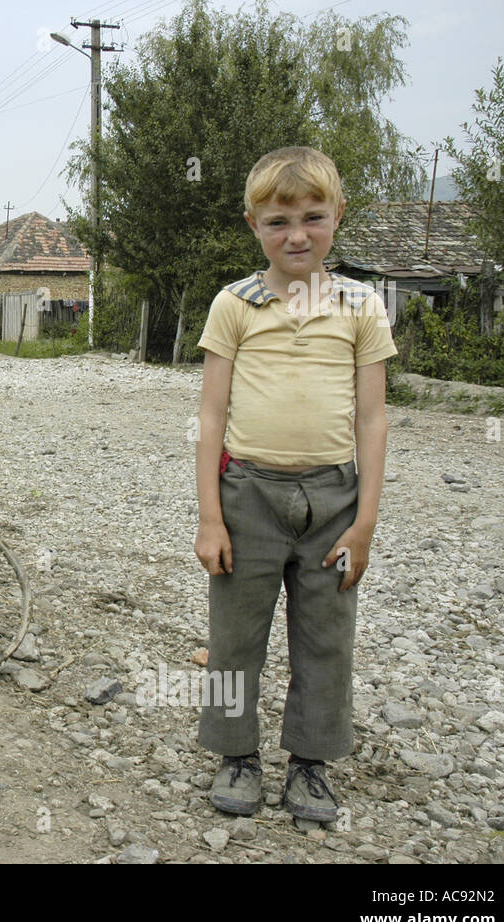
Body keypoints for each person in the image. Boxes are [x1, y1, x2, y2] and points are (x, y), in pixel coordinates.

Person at [193, 146, 396, 823]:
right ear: (253, 224)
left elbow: (372, 418)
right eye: (278, 221)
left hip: (334, 499)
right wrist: (209, 518)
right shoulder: (234, 305)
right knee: (235, 635)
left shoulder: (361, 307)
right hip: (247, 495)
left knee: (327, 636)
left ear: (339, 216)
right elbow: (211, 415)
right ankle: (236, 755)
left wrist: (364, 522)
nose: (297, 235)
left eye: (313, 216)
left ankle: (310, 766)